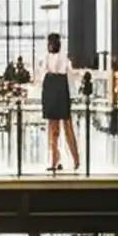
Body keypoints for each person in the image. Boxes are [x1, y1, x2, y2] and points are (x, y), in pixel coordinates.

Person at [40, 33, 80, 172]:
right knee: (53, 128)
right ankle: (54, 160)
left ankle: (75, 159)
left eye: (53, 42)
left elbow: (70, 73)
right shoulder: (46, 58)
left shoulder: (63, 57)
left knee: (67, 126)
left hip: (59, 89)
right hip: (52, 89)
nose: (51, 45)